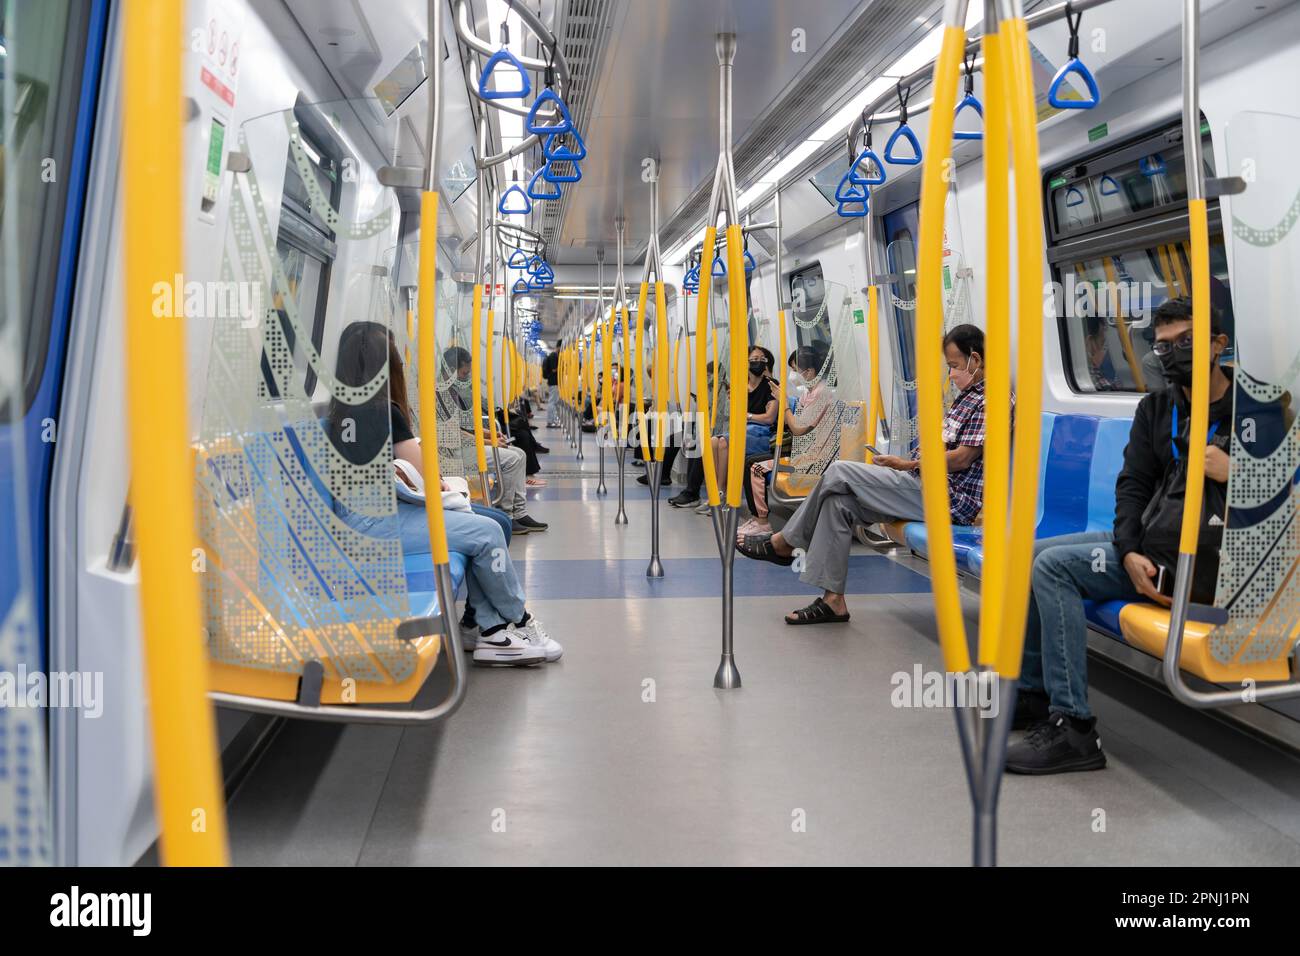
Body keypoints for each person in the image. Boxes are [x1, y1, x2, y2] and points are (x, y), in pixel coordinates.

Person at [1006, 297, 1240, 774]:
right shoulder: (1157, 408)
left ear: (1219, 344)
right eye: (1163, 346)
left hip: (1208, 565)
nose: (1172, 354)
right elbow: (1133, 485)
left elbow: (1286, 496)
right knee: (1028, 556)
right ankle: (1034, 694)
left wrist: (1235, 471)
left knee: (1052, 569)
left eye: (1187, 342)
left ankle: (1075, 729)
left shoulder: (1257, 411)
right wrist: (1129, 550)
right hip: (1153, 550)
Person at [325, 322, 561, 666]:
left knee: (487, 525)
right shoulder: (382, 410)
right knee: (487, 531)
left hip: (363, 515)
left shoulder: (344, 408)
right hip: (374, 524)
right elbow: (429, 477)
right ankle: (517, 620)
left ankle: (487, 627)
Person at [738, 324, 995, 625]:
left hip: (946, 497)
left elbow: (963, 458)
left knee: (839, 471)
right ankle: (833, 601)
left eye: (954, 366)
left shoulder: (992, 400)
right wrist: (906, 463)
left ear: (975, 360)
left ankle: (784, 542)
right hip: (922, 485)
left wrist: (908, 464)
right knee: (838, 504)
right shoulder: (966, 398)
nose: (951, 374)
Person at [443, 346, 548, 536]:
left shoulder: (454, 391)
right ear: (451, 370)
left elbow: (465, 425)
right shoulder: (441, 394)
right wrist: (487, 442)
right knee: (511, 459)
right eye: (464, 373)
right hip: (452, 452)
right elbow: (453, 434)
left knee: (520, 454)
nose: (466, 377)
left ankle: (519, 512)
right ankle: (506, 514)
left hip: (464, 444)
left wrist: (490, 435)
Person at [739, 345, 837, 537]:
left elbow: (798, 429)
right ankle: (758, 518)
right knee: (749, 461)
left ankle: (762, 523)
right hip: (803, 452)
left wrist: (783, 403)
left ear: (809, 372)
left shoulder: (822, 394)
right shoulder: (808, 392)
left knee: (755, 467)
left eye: (795, 370)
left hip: (814, 459)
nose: (793, 375)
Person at [709, 346, 778, 498]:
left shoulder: (771, 384)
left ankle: (721, 492)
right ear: (746, 363)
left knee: (723, 443)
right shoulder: (740, 385)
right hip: (743, 430)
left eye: (762, 359)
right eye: (754, 359)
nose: (759, 362)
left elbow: (769, 418)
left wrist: (748, 416)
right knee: (713, 442)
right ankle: (718, 490)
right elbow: (736, 415)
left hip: (763, 433)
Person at [542, 340, 561, 427]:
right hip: (554, 382)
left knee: (555, 402)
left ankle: (553, 420)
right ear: (559, 347)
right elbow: (554, 369)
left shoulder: (555, 355)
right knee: (552, 402)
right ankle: (550, 421)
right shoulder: (553, 356)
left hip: (554, 382)